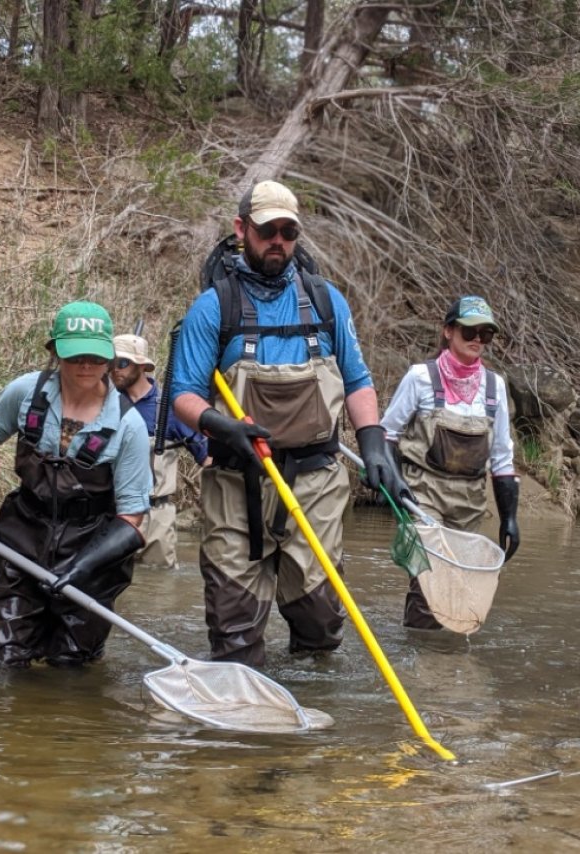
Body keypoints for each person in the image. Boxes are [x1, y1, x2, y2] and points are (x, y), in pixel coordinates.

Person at [170, 179, 409, 667]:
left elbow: (358, 380)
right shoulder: (214, 307)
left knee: (320, 624)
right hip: (238, 483)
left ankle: (310, 717)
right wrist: (220, 424)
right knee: (234, 632)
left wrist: (374, 444)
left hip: (316, 482)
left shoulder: (328, 303)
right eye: (267, 230)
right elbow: (183, 397)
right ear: (242, 230)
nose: (278, 240)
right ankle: (241, 713)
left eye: (288, 231)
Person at [0, 300, 153, 667]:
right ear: (54, 352)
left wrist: (83, 567)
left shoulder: (130, 427)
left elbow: (131, 519)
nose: (86, 365)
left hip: (91, 552)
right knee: (6, 656)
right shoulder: (23, 393)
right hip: (22, 538)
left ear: (109, 359)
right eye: (74, 355)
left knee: (70, 666)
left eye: (96, 358)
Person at [380, 295, 520, 630]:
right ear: (448, 331)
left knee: (458, 581)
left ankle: (444, 650)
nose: (477, 340)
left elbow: (502, 457)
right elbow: (386, 435)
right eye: (469, 331)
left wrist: (510, 519)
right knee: (428, 578)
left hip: (469, 500)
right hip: (421, 493)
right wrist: (395, 482)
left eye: (485, 334)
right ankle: (422, 651)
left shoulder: (495, 387)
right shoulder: (420, 378)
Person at [111, 332, 209, 571]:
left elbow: (207, 457)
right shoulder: (105, 403)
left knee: (158, 585)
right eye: (110, 363)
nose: (115, 370)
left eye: (122, 363)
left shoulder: (169, 408)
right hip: (112, 511)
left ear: (143, 366)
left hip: (158, 516)